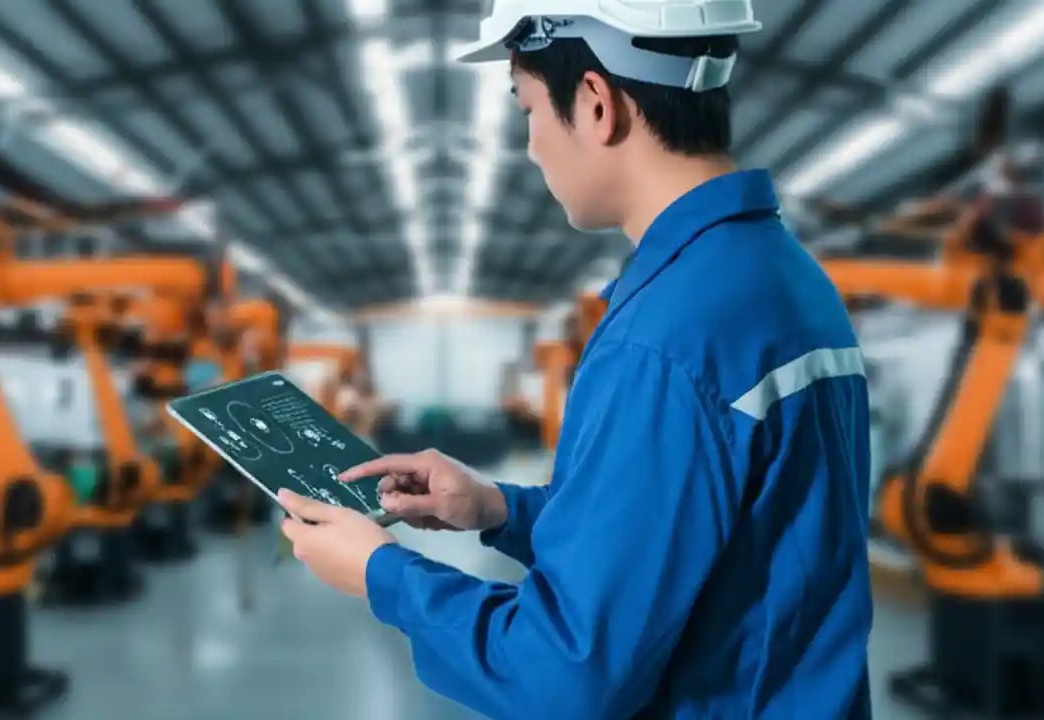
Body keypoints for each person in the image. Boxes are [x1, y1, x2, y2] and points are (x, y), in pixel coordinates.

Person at [276, 2, 874, 717]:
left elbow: (566, 675)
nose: (530, 147)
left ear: (595, 103)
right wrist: (497, 508)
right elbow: (707, 536)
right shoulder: (781, 276)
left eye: (526, 107)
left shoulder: (664, 337)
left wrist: (382, 575)